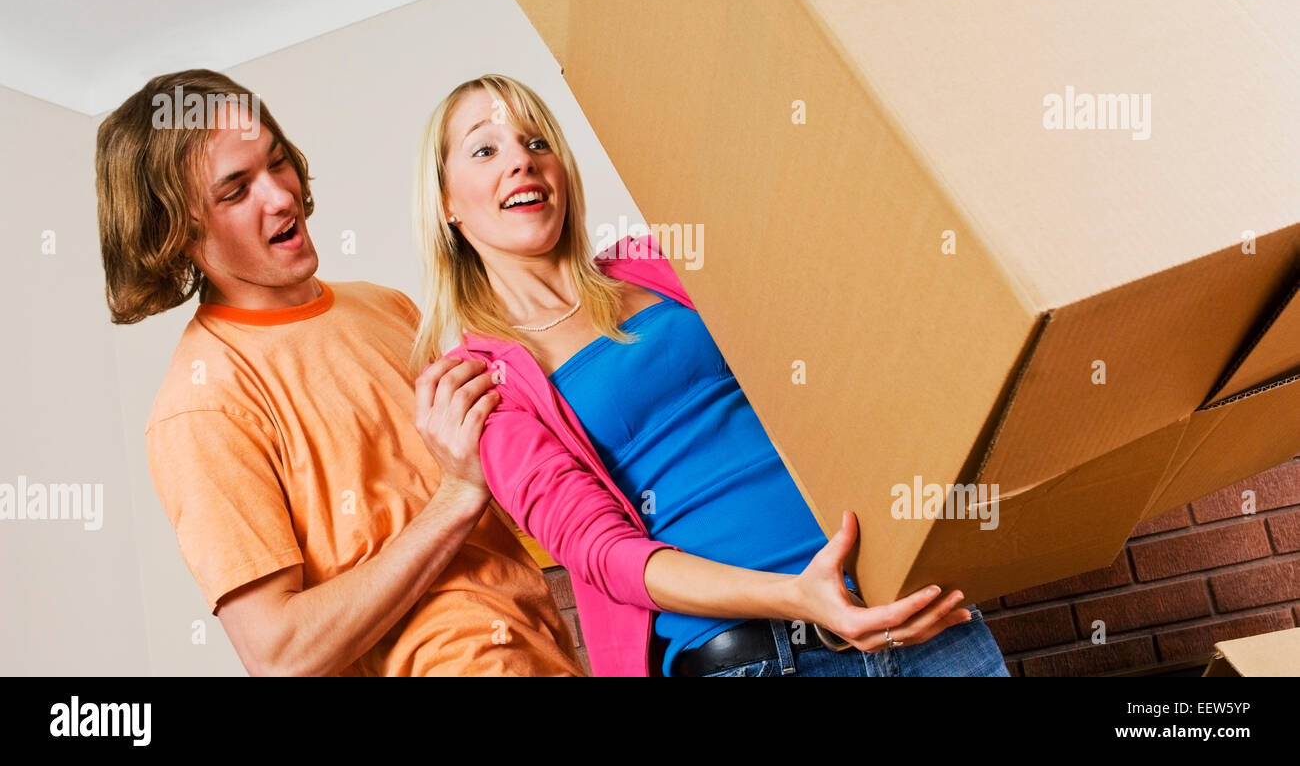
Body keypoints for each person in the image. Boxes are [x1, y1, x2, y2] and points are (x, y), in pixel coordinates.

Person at [409, 73, 1010, 677]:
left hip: (905, 607)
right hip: (760, 659)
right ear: (447, 204)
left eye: (536, 142)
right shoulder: (480, 386)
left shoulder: (657, 261)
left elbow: (825, 362)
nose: (520, 161)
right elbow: (605, 556)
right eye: (485, 149)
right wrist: (800, 597)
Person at [96, 69, 584, 676]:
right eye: (235, 190)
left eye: (277, 163)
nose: (279, 195)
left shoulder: (385, 307)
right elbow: (279, 655)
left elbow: (505, 493)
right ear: (176, 233)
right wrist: (456, 497)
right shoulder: (203, 405)